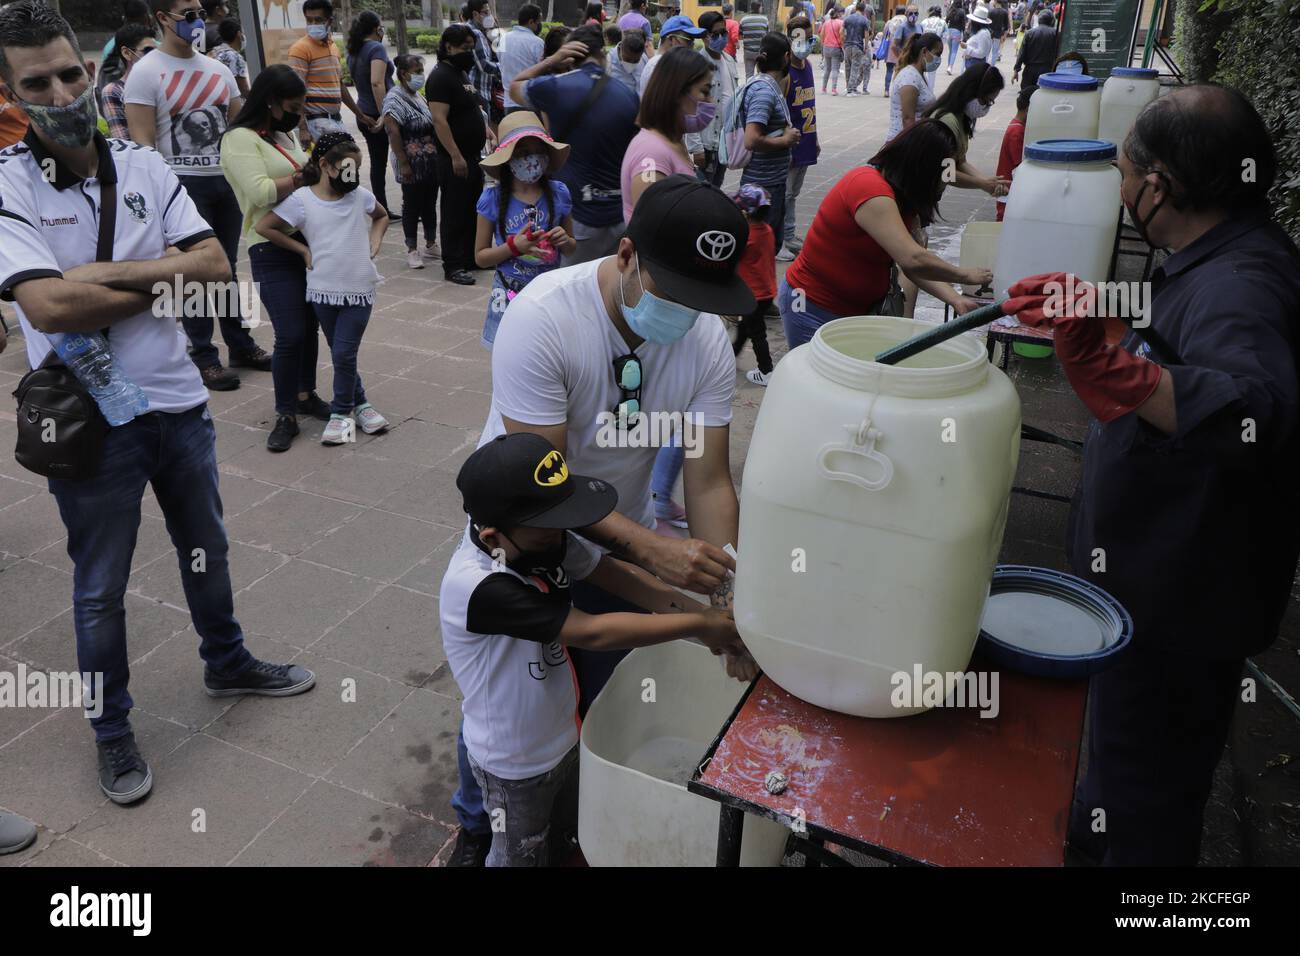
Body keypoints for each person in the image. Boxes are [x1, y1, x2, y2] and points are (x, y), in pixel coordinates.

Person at [0, 0, 316, 804]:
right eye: (37, 81)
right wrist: (150, 277)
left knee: (204, 545)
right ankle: (111, 733)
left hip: (177, 404)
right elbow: (45, 310)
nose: (62, 90)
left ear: (92, 70)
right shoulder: (8, 188)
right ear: (11, 94)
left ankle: (228, 660)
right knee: (100, 587)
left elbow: (213, 264)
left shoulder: (142, 167)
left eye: (71, 71)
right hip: (88, 425)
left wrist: (91, 279)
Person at [996, 86, 1300, 866]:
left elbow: (1255, 410)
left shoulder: (1243, 286)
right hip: (1156, 583)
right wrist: (1109, 315)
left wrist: (1116, 371)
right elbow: (1179, 346)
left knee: (1145, 797)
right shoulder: (1220, 255)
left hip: (1179, 603)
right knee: (1123, 775)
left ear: (1157, 185)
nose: (1123, 190)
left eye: (1127, 170)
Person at [446, 176, 755, 865]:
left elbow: (707, 478)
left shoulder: (705, 342)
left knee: (601, 678)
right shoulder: (544, 319)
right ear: (625, 256)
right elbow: (544, 482)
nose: (689, 315)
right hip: (531, 531)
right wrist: (653, 553)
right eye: (673, 294)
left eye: (704, 301)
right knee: (507, 702)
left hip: (621, 527)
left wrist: (726, 590)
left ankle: (578, 801)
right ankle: (478, 822)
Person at [442, 432, 746, 867]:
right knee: (519, 854)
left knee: (564, 834)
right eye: (548, 527)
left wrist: (710, 622)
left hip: (563, 735)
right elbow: (593, 632)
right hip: (514, 766)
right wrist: (702, 624)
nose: (561, 534)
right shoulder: (478, 586)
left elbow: (616, 576)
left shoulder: (538, 541)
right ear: (493, 537)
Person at [126, 0, 271, 392]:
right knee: (191, 275)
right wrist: (160, 201)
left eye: (199, 11)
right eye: (186, 13)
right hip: (181, 187)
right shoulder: (145, 73)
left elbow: (240, 128)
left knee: (225, 266)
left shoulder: (219, 69)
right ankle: (203, 355)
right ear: (162, 19)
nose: (196, 20)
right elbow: (143, 145)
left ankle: (241, 343)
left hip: (224, 183)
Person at [778, 120, 991, 348]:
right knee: (817, 378)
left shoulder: (904, 201)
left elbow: (911, 267)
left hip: (853, 313)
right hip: (810, 306)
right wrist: (964, 276)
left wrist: (955, 299)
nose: (944, 183)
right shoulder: (869, 188)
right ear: (921, 167)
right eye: (942, 174)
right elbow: (914, 258)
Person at [222, 65, 335, 452]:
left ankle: (307, 395)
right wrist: (305, 177)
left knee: (310, 325)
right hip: (269, 245)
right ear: (270, 102)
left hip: (308, 239)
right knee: (290, 332)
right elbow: (259, 193)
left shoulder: (282, 134)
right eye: (293, 105)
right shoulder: (239, 139)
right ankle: (285, 413)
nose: (298, 112)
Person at [255, 131, 390, 445]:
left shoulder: (360, 196)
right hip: (322, 292)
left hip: (359, 288)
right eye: (346, 167)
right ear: (326, 165)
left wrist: (376, 237)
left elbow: (381, 215)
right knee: (342, 354)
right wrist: (302, 251)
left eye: (356, 168)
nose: (352, 174)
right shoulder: (302, 201)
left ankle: (341, 414)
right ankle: (363, 404)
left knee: (343, 352)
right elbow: (265, 227)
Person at [509, 25, 640, 265]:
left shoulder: (555, 87)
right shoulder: (628, 95)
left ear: (570, 57)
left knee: (571, 289)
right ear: (602, 54)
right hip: (618, 213)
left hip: (575, 214)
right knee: (609, 288)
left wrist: (551, 60)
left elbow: (515, 86)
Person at [474, 111, 576, 349]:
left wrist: (565, 240)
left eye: (537, 152)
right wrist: (513, 247)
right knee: (510, 350)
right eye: (522, 153)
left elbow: (572, 247)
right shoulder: (492, 199)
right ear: (507, 160)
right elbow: (480, 256)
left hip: (548, 292)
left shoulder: (559, 193)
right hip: (510, 291)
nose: (531, 160)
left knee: (547, 352)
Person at [427, 24, 489, 286]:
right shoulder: (440, 77)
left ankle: (470, 257)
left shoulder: (460, 73)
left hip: (473, 155)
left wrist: (486, 131)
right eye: (464, 48)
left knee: (472, 208)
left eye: (471, 48)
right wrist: (455, 155)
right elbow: (440, 121)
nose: (468, 53)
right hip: (455, 157)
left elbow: (470, 109)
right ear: (449, 46)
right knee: (454, 210)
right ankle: (452, 264)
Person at [287, 0, 374, 150]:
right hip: (316, 122)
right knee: (344, 164)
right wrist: (302, 128)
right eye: (309, 20)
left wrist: (360, 115)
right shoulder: (300, 49)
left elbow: (338, 85)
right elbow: (294, 90)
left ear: (329, 21)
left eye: (318, 20)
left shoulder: (333, 47)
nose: (313, 24)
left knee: (347, 165)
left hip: (335, 119)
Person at [382, 54, 440, 269]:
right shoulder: (394, 98)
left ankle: (431, 243)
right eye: (416, 72)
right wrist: (404, 163)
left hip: (430, 162)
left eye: (420, 71)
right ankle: (412, 249)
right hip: (411, 163)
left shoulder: (418, 96)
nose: (420, 76)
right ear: (404, 74)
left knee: (429, 203)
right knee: (412, 205)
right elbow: (393, 131)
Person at [922, 61, 1008, 195]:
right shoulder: (947, 121)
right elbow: (946, 172)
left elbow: (960, 161)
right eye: (986, 101)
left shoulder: (960, 117)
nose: (986, 107)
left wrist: (987, 181)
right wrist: (982, 184)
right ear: (972, 91)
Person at [344, 11, 395, 218]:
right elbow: (377, 82)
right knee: (388, 159)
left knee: (377, 161)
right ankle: (382, 209)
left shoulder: (353, 51)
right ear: (376, 28)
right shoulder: (375, 48)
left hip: (362, 111)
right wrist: (384, 114)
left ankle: (380, 206)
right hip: (376, 113)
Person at [779, 17, 818, 262]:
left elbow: (811, 104)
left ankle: (790, 234)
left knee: (793, 193)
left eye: (808, 37)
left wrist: (815, 137)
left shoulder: (809, 67)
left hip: (807, 140)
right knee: (783, 193)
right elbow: (781, 111)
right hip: (790, 142)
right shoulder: (785, 72)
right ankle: (779, 239)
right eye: (799, 38)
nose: (804, 44)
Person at [730, 184, 776, 386]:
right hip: (767, 291)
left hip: (753, 295)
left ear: (744, 212)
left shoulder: (746, 236)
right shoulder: (766, 230)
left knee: (757, 333)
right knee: (746, 325)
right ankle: (733, 353)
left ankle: (766, 370)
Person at [690, 11, 739, 187]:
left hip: (724, 142)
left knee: (717, 189)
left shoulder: (729, 60)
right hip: (706, 142)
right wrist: (696, 147)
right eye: (715, 34)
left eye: (723, 33)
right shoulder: (697, 63)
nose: (721, 38)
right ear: (704, 36)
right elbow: (690, 107)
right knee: (702, 192)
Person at [100, 23, 156, 139]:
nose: (154, 57)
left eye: (156, 52)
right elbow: (125, 143)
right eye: (147, 51)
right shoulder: (114, 91)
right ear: (127, 53)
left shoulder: (162, 84)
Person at [885, 31, 941, 143]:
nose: (938, 59)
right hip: (903, 144)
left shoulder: (919, 74)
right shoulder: (909, 77)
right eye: (937, 54)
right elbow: (908, 120)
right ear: (924, 52)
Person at [95, 0, 153, 105]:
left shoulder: (110, 45)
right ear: (147, 18)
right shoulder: (153, 45)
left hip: (111, 105)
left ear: (124, 18)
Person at [639, 14, 705, 96]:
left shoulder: (669, 64)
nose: (692, 46)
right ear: (672, 39)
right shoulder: (660, 66)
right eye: (689, 40)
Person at [994, 84, 1032, 221]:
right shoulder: (1017, 132)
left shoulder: (1016, 127)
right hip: (1008, 193)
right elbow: (1020, 166)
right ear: (1029, 109)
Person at [464, 0, 503, 127]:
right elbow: (484, 65)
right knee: (483, 132)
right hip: (479, 91)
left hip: (474, 89)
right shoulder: (476, 33)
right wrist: (502, 67)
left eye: (489, 12)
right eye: (486, 12)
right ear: (475, 14)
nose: (489, 16)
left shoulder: (470, 29)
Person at [500, 5, 545, 114]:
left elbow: (500, 63)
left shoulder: (503, 39)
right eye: (538, 22)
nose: (539, 25)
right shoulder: (537, 42)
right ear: (531, 22)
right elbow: (543, 71)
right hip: (530, 105)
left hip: (508, 103)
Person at [1013, 9, 1056, 87]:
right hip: (1048, 71)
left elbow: (1021, 53)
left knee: (1027, 95)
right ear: (1052, 21)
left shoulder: (1029, 33)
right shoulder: (1056, 34)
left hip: (1030, 71)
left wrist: (1016, 70)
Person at [209, 18, 249, 97]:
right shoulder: (236, 57)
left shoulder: (214, 51)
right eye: (243, 33)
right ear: (239, 34)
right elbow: (244, 89)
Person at [884, 5, 918, 96]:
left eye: (916, 13)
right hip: (901, 51)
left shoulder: (890, 21)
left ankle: (887, 90)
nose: (914, 15)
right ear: (905, 13)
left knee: (890, 70)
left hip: (891, 49)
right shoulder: (904, 23)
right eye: (911, 13)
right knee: (900, 72)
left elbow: (885, 34)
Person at [841, 2, 870, 95]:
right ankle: (851, 89)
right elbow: (866, 34)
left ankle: (848, 87)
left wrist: (843, 42)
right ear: (864, 9)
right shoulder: (865, 20)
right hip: (858, 46)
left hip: (847, 45)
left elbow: (841, 31)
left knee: (848, 67)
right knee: (855, 68)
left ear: (856, 8)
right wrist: (866, 46)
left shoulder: (847, 18)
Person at [608, 28, 647, 93]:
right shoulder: (607, 63)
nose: (631, 63)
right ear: (621, 48)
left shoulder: (644, 59)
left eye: (636, 61)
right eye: (627, 59)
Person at [739, 2, 769, 80]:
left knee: (749, 76)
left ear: (751, 8)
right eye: (761, 7)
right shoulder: (764, 20)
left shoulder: (743, 20)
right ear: (759, 8)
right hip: (761, 52)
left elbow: (740, 37)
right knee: (762, 75)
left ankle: (749, 91)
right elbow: (767, 36)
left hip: (748, 52)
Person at [818, 6, 844, 95]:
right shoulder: (840, 22)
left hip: (826, 47)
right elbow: (841, 34)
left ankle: (823, 89)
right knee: (835, 69)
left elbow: (821, 34)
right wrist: (842, 44)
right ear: (837, 15)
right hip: (836, 48)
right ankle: (833, 89)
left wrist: (822, 45)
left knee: (826, 69)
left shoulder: (826, 23)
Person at [962, 3, 993, 71]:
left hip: (975, 64)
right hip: (973, 63)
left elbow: (981, 53)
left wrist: (967, 47)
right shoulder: (982, 32)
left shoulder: (983, 34)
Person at [944, 0, 966, 74]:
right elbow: (963, 24)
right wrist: (964, 35)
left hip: (949, 32)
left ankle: (948, 66)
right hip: (957, 33)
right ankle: (950, 67)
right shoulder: (962, 11)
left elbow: (946, 20)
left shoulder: (951, 10)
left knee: (950, 51)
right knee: (954, 51)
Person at [988, 0, 1010, 65]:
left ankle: (985, 66)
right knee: (995, 52)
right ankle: (992, 67)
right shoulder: (1005, 12)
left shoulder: (991, 11)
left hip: (990, 33)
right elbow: (1006, 25)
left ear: (996, 2)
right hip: (998, 33)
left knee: (987, 51)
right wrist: (1004, 34)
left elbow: (988, 23)